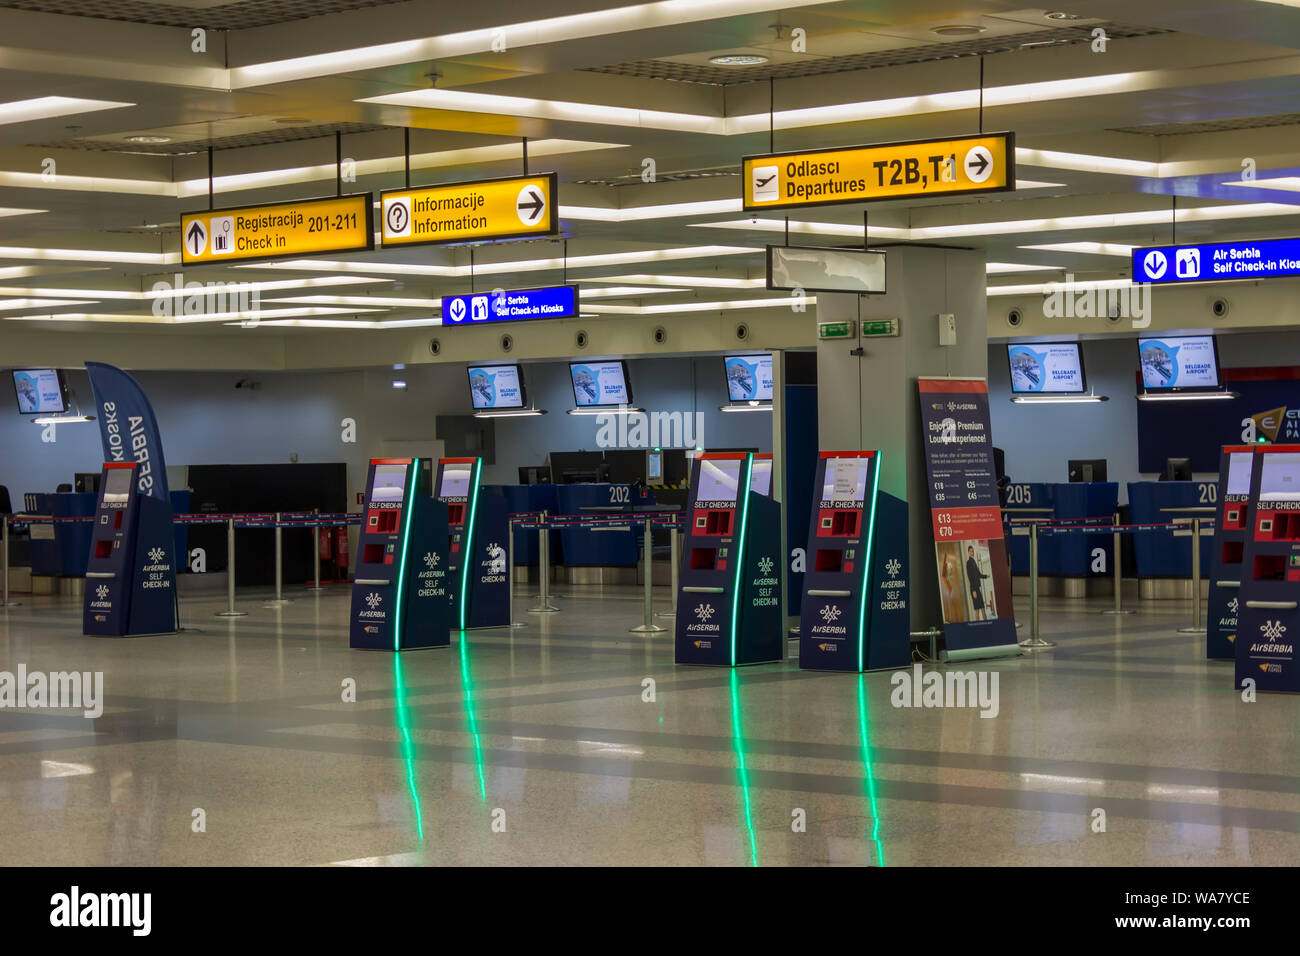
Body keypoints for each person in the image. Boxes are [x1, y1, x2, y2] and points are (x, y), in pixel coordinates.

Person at [967, 545, 990, 621]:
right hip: (974, 589)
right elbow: (970, 577)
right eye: (970, 551)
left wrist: (986, 576)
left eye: (973, 551)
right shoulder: (969, 562)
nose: (972, 552)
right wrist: (973, 590)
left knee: (982, 608)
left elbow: (978, 574)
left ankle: (986, 625)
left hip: (977, 588)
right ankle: (977, 627)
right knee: (977, 610)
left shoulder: (973, 562)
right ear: (968, 552)